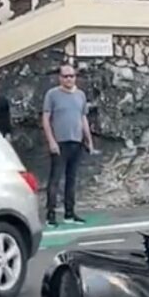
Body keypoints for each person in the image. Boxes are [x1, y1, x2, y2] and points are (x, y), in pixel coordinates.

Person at [42, 63, 94, 226]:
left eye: (72, 76)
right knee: (55, 179)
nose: (69, 79)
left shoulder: (80, 95)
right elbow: (46, 118)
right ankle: (51, 214)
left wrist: (88, 139)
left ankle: (69, 213)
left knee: (72, 179)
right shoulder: (52, 94)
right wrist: (51, 141)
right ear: (60, 78)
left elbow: (83, 118)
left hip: (76, 141)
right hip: (59, 142)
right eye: (66, 76)